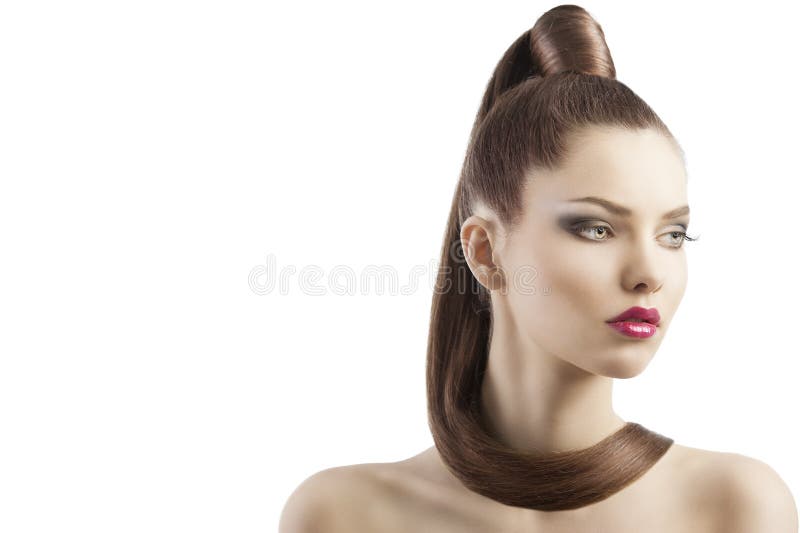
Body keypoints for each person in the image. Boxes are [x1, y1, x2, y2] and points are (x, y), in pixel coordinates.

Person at [279, 4, 798, 532]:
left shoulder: (737, 507)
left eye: (673, 235)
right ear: (485, 251)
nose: (649, 273)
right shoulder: (342, 514)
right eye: (597, 228)